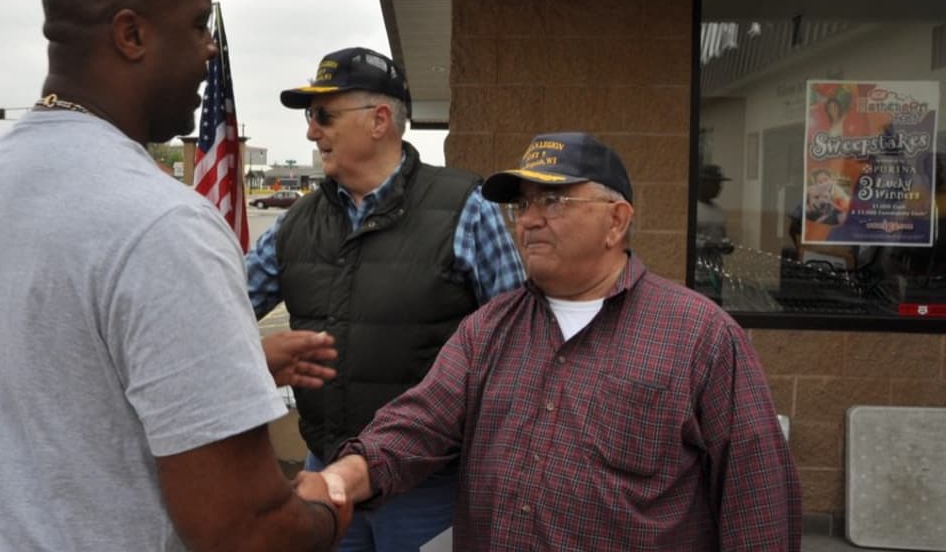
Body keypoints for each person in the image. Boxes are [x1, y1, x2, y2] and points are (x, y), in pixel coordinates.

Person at [0, 0, 350, 552]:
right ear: (132, 34)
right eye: (199, 27)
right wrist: (327, 506)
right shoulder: (162, 223)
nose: (209, 53)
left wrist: (233, 371)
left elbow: (59, 377)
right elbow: (242, 529)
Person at [320, 131, 802, 551]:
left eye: (553, 200)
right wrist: (341, 478)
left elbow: (757, 501)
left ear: (616, 221)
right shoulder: (488, 329)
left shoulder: (701, 337)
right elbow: (416, 426)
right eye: (523, 204)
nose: (528, 220)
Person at [246, 47, 525, 551]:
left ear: (379, 120)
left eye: (322, 115)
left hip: (430, 488)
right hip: (327, 478)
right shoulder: (295, 223)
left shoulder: (466, 207)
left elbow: (517, 347)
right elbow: (222, 315)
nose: (312, 131)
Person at [695, 163, 734, 304]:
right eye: (716, 183)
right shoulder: (693, 208)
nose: (719, 188)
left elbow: (722, 237)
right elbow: (684, 240)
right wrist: (705, 244)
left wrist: (726, 245)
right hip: (697, 275)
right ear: (703, 183)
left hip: (715, 274)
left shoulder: (719, 211)